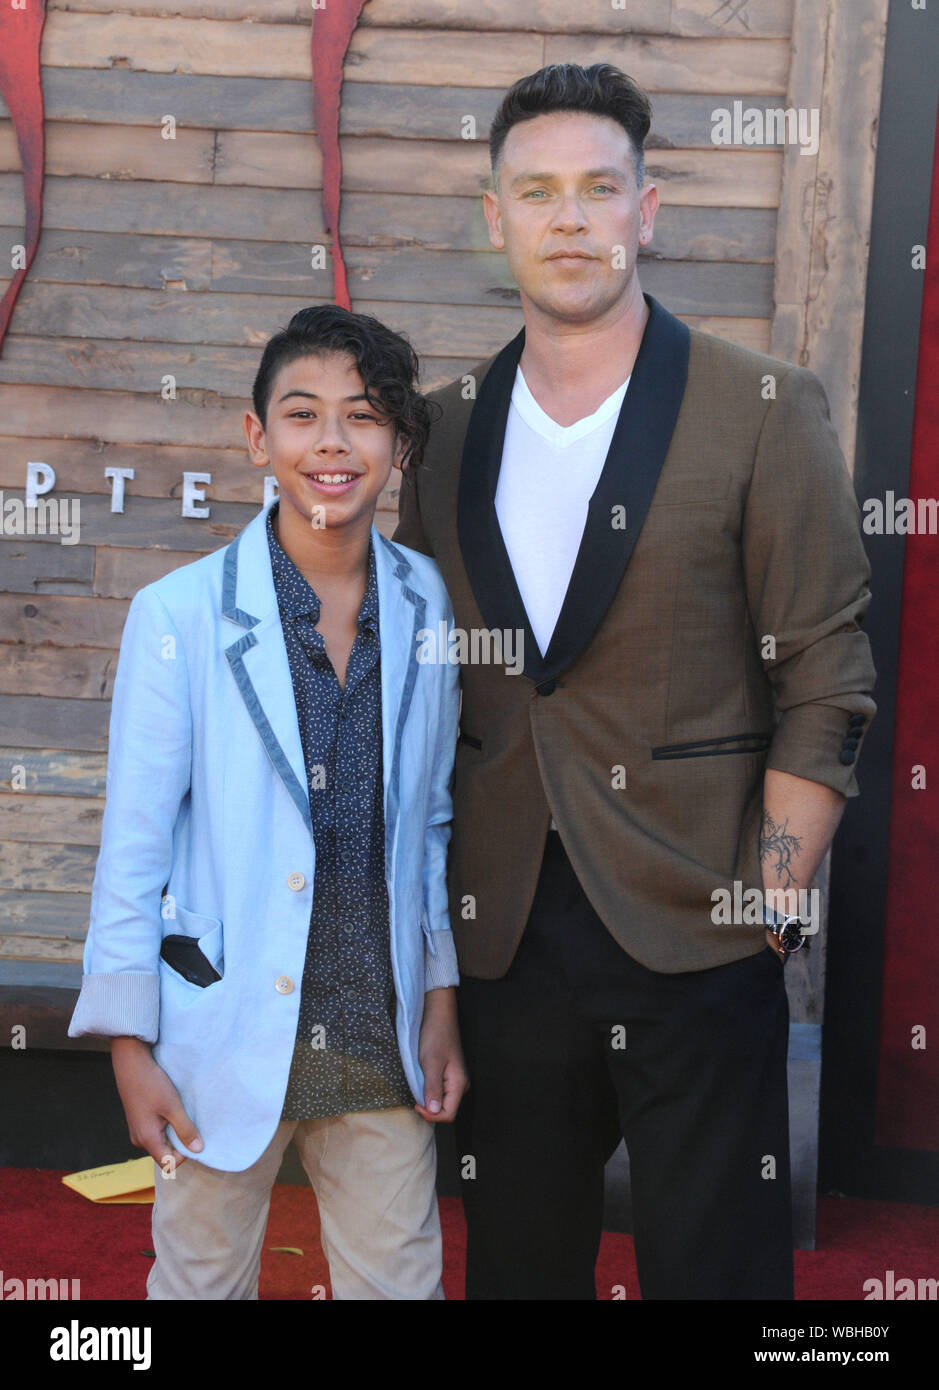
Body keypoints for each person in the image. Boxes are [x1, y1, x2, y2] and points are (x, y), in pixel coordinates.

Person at [394, 63, 877, 1301]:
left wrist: (770, 906)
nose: (570, 219)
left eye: (598, 189)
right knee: (517, 1271)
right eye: (537, 192)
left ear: (645, 211)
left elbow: (826, 673)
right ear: (492, 217)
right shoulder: (440, 432)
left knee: (717, 1272)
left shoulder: (762, 408)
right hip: (500, 934)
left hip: (698, 920)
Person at [68, 305, 468, 1300]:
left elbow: (428, 827)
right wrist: (130, 1047)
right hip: (220, 1038)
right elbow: (135, 845)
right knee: (199, 1288)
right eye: (302, 414)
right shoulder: (179, 615)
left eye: (365, 416)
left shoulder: (427, 604)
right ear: (258, 438)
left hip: (379, 1037)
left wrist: (439, 1004)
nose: (332, 443)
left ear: (399, 445)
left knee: (403, 1287)